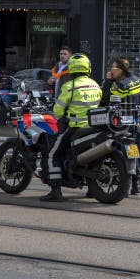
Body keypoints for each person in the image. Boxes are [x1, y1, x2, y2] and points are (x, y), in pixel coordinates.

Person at [42, 53, 102, 202]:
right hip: (93, 128)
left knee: (52, 155)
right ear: (87, 67)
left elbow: (58, 112)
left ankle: (55, 191)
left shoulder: (69, 86)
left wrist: (58, 111)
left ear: (71, 69)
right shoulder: (95, 85)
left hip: (75, 128)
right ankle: (92, 189)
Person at [101, 57, 140, 195]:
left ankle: (123, 183)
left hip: (118, 124)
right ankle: (136, 184)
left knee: (116, 152)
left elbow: (103, 99)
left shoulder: (117, 85)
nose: (111, 71)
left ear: (121, 70)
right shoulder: (137, 80)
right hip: (132, 123)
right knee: (132, 152)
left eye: (113, 68)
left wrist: (108, 81)